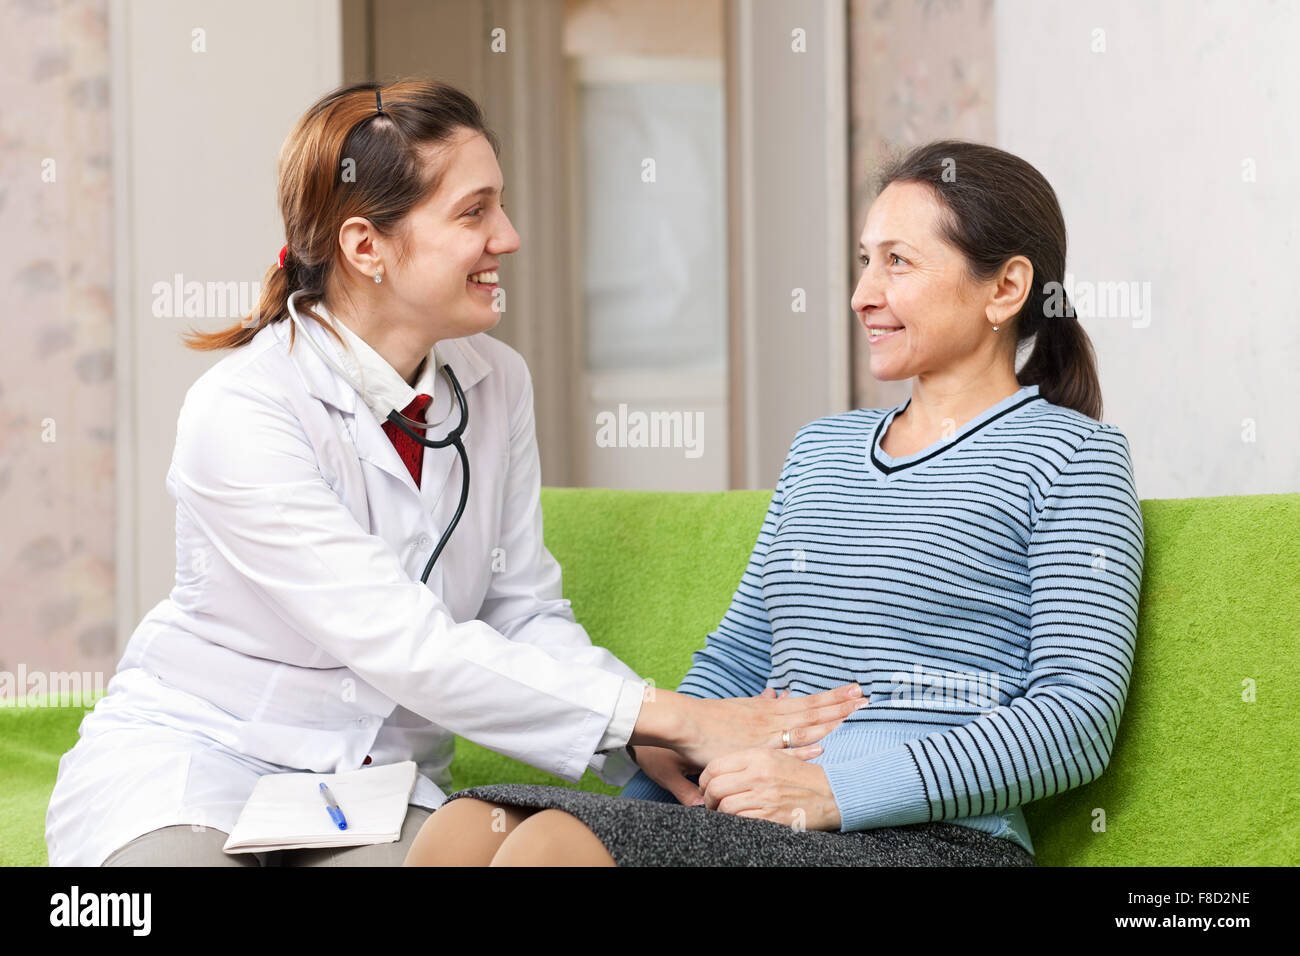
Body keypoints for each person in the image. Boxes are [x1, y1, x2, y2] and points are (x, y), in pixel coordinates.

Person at [43, 79, 864, 868]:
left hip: (367, 791)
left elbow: (520, 608)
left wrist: (639, 738)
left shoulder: (495, 380)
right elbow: (403, 642)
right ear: (367, 246)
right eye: (474, 212)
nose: (506, 236)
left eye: (499, 205)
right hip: (200, 760)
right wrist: (688, 717)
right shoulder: (243, 408)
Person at [406, 139, 1146, 867]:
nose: (863, 295)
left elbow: (1073, 719)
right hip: (757, 813)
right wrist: (673, 754)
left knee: (549, 852)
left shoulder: (1074, 457)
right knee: (468, 829)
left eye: (899, 261)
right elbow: (742, 652)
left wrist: (834, 791)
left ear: (1007, 289)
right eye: (865, 260)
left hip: (933, 837)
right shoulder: (822, 448)